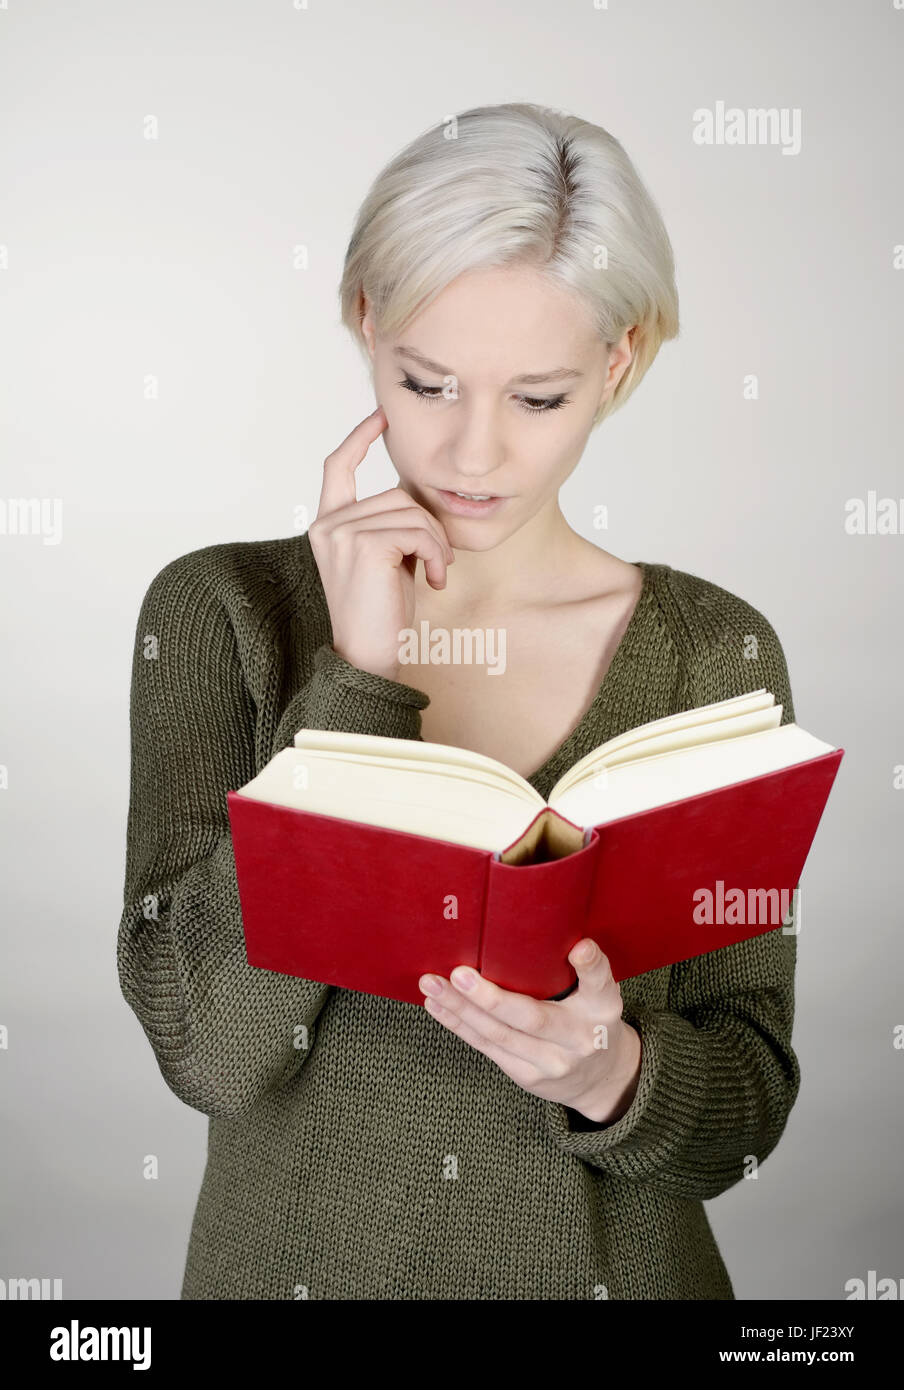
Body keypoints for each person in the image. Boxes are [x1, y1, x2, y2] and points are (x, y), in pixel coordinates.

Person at [117, 102, 800, 1300]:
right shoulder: (222, 614)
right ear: (365, 323)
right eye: (426, 383)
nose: (472, 456)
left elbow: (744, 1108)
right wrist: (353, 689)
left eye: (538, 399)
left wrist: (612, 1071)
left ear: (619, 361)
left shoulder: (715, 652)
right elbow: (211, 1054)